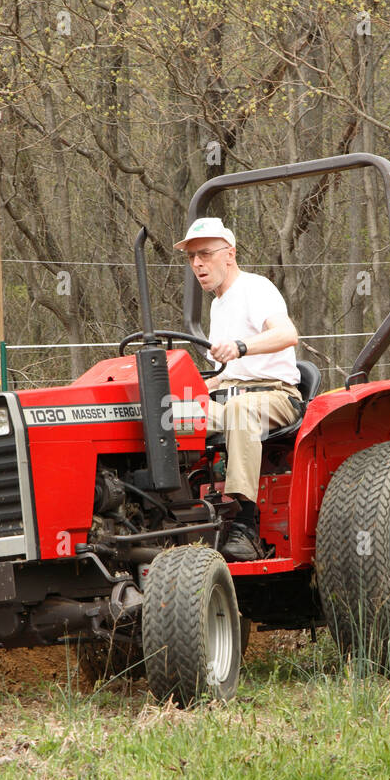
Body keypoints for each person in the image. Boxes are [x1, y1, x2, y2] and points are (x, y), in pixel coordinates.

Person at [174, 217, 301, 562]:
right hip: (231, 393)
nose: (197, 263)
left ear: (229, 254)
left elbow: (287, 334)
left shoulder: (255, 288)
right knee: (174, 414)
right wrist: (198, 386)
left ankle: (247, 522)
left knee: (239, 410)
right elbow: (227, 373)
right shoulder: (218, 304)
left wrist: (242, 346)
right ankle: (175, 515)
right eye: (191, 257)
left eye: (205, 254)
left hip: (275, 395)